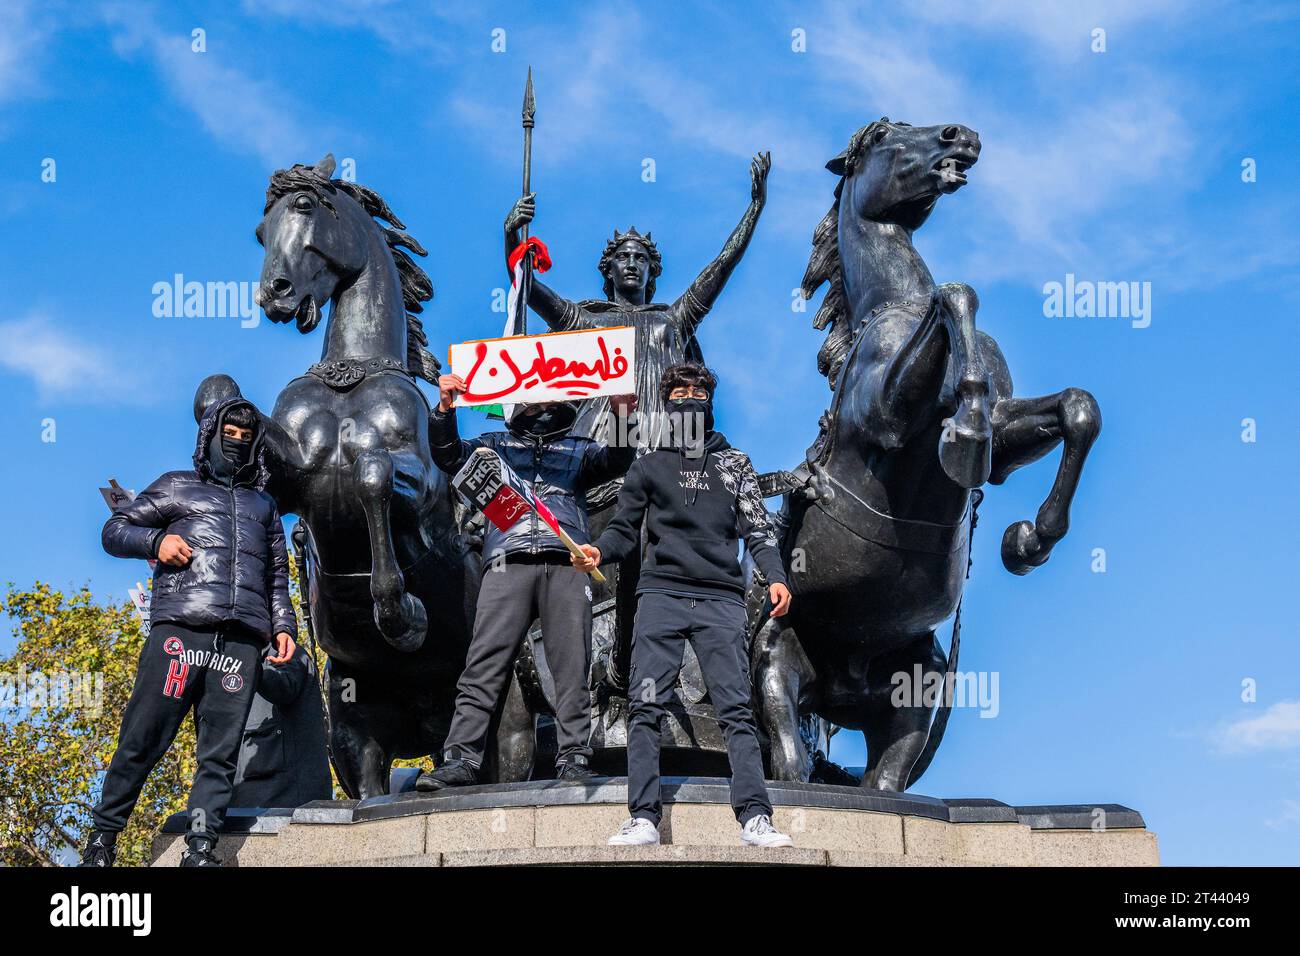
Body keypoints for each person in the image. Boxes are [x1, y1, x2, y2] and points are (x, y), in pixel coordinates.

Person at [573, 363, 795, 848]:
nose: (689, 398)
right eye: (679, 391)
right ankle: (644, 818)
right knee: (645, 705)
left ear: (711, 402)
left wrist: (776, 576)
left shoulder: (735, 463)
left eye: (698, 391)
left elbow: (758, 529)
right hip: (660, 596)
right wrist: (599, 551)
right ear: (666, 401)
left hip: (720, 601)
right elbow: (623, 527)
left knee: (737, 709)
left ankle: (755, 817)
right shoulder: (649, 462)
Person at [80, 398, 297, 867]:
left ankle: (201, 849)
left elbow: (277, 574)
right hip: (180, 632)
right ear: (211, 436)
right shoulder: (177, 486)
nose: (237, 443)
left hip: (241, 640)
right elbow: (114, 530)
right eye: (229, 434)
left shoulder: (265, 505)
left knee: (219, 754)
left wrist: (284, 625)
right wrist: (156, 540)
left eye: (246, 436)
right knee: (142, 738)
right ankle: (102, 841)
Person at [415, 374, 636, 791]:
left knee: (572, 666)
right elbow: (447, 455)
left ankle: (574, 758)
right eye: (531, 393)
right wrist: (444, 408)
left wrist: (625, 410)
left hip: (568, 562)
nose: (540, 399)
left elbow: (619, 459)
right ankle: (460, 760)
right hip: (505, 562)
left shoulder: (580, 450)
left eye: (548, 393)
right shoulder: (493, 445)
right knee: (483, 663)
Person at [503, 152, 770, 450]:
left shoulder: (673, 319)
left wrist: (755, 208)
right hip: (599, 440)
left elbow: (721, 265)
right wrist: (511, 235)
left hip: (665, 440)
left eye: (640, 259)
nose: (632, 263)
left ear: (651, 271)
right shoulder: (586, 320)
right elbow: (526, 285)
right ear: (610, 269)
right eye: (623, 257)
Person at [231, 646, 332, 809]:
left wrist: (247, 663)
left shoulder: (288, 654)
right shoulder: (229, 662)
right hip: (243, 803)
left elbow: (282, 686)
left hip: (286, 804)